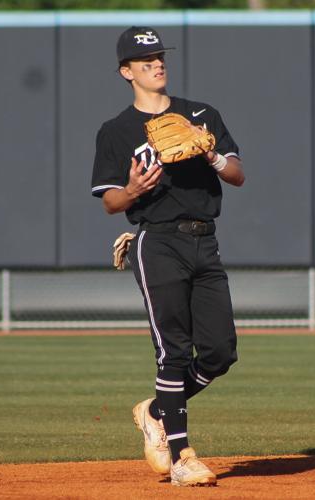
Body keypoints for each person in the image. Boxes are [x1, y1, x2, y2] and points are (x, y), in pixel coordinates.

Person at [90, 26, 245, 487]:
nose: (157, 63)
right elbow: (109, 201)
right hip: (156, 241)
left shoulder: (201, 114)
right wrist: (133, 190)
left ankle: (156, 411)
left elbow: (237, 174)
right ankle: (182, 457)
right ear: (126, 71)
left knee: (220, 352)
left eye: (160, 56)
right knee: (173, 351)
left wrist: (213, 155)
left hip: (205, 239)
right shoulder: (116, 131)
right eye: (146, 60)